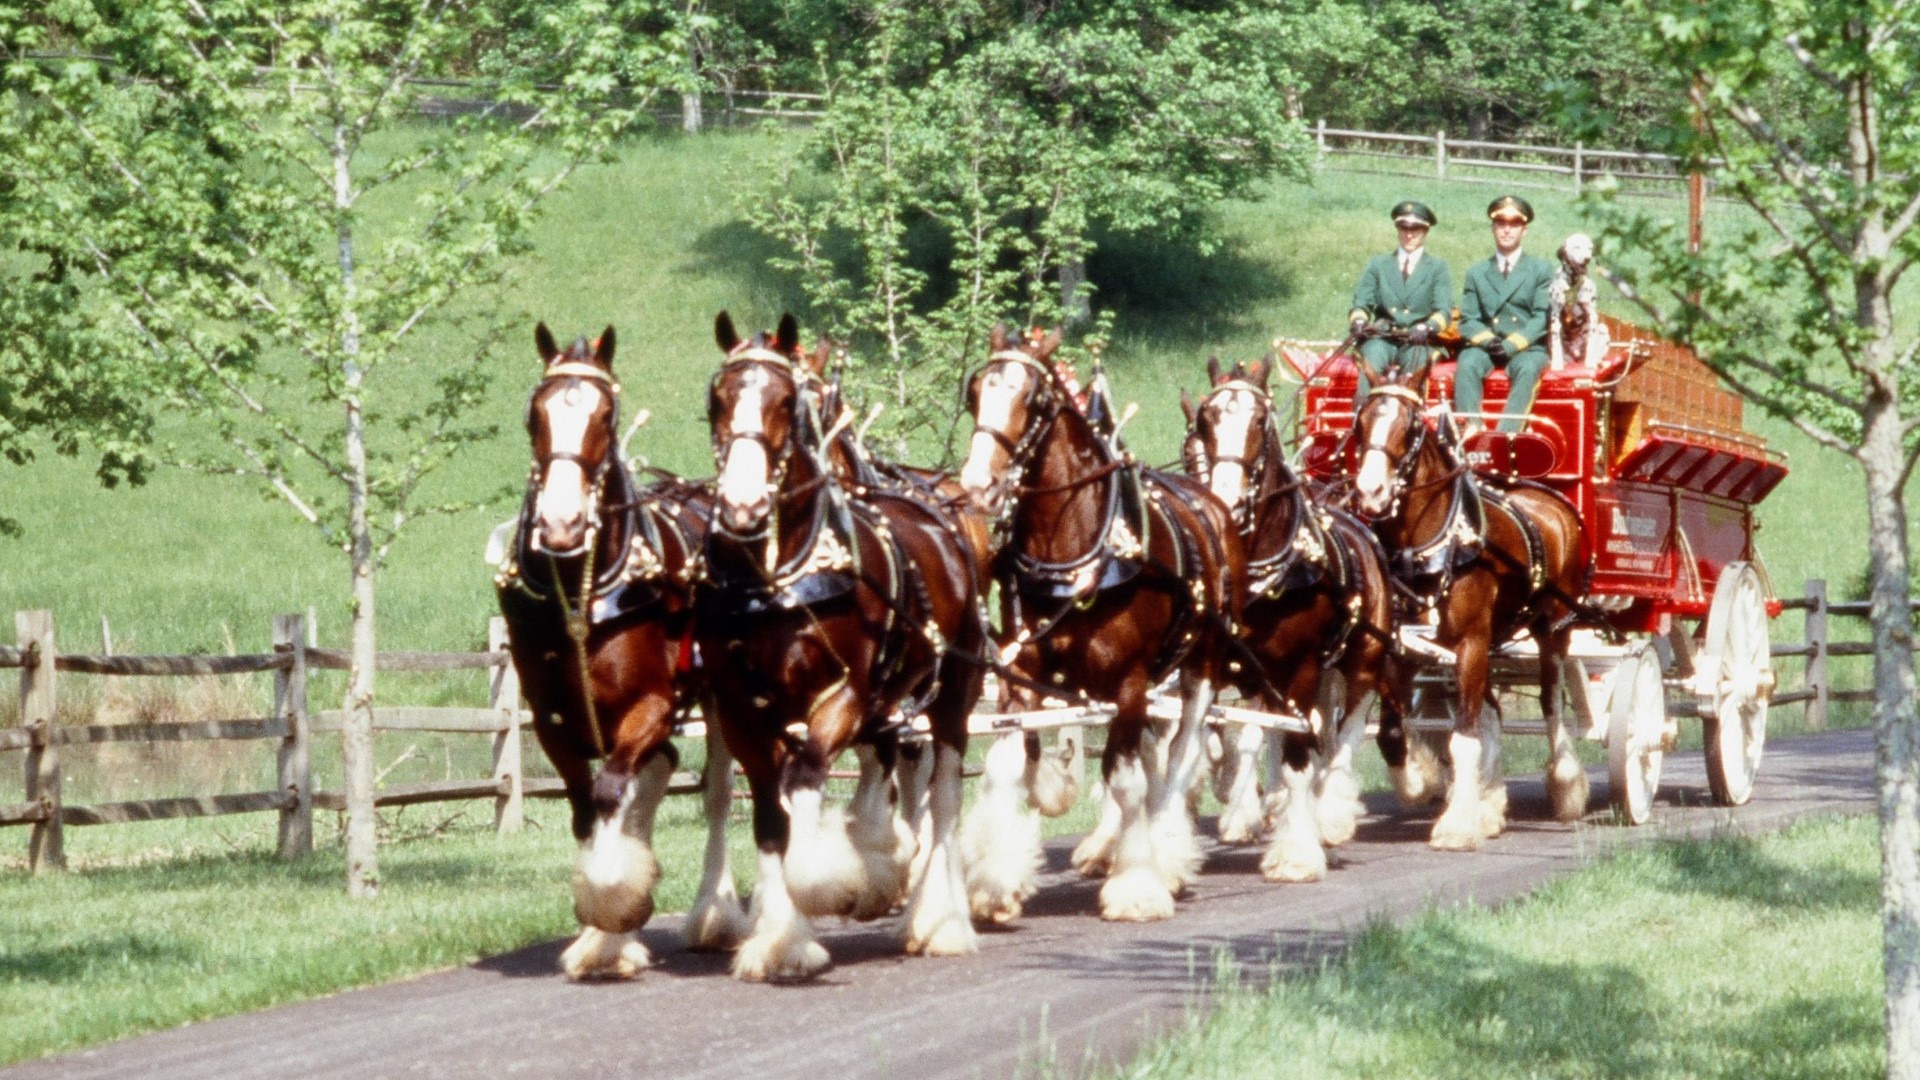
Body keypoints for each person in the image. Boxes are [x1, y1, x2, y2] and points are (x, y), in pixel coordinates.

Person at [1454, 194, 1554, 434]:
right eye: (1501, 224)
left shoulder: (1541, 270)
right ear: (1493, 228)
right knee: (1466, 362)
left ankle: (1504, 435)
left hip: (1526, 347)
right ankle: (1471, 428)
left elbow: (1542, 317)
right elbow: (1468, 320)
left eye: (1514, 225)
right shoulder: (1477, 273)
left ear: (1524, 230)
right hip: (1488, 347)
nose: (1507, 230)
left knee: (1528, 369)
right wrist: (1488, 341)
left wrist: (1510, 345)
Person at [1348, 200, 1452, 397]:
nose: (1409, 234)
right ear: (1397, 229)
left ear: (1426, 231)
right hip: (1383, 338)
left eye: (1416, 229)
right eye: (1404, 228)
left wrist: (1427, 328)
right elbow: (1362, 303)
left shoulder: (1438, 268)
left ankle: (1413, 424)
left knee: (1414, 377)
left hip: (1419, 342)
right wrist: (1359, 321)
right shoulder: (1378, 265)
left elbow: (1444, 310)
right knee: (1369, 366)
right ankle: (1361, 420)